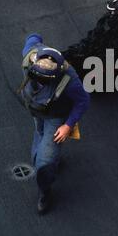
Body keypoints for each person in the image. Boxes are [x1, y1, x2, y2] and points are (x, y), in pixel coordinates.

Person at [19, 33, 90, 214]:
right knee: (39, 134)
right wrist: (37, 37)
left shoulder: (70, 81)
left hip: (55, 117)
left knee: (44, 161)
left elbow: (83, 101)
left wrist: (68, 125)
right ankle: (54, 160)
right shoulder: (31, 54)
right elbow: (33, 37)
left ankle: (45, 190)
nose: (39, 82)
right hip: (36, 111)